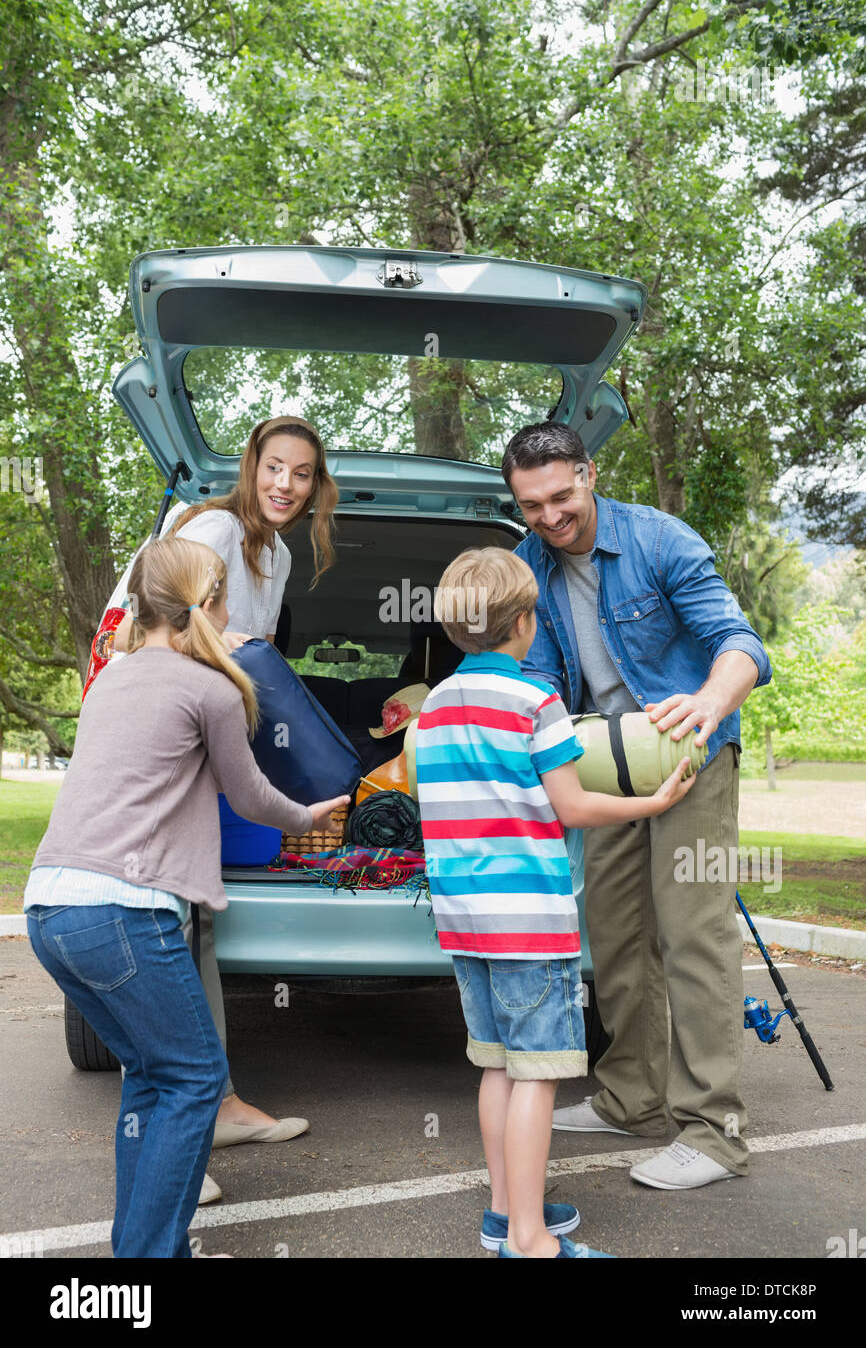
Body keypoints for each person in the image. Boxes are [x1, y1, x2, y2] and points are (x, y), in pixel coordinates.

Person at [24, 537, 349, 1257]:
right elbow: (252, 794)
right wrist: (312, 814)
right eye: (225, 595)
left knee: (152, 1076)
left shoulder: (114, 676)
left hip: (49, 905)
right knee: (197, 1080)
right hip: (121, 913)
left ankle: (138, 1258)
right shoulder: (213, 688)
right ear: (207, 605)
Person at [501, 421, 772, 1190]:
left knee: (694, 934)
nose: (551, 517)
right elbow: (544, 687)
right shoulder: (530, 565)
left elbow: (740, 642)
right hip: (601, 764)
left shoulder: (659, 541)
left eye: (561, 496)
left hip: (692, 754)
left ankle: (712, 1132)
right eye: (531, 505)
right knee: (616, 937)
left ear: (588, 474)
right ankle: (631, 1095)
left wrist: (709, 703)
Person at [414, 547, 696, 1258]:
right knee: (538, 1074)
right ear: (524, 623)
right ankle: (531, 1240)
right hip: (528, 922)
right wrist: (650, 800)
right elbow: (570, 805)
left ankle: (505, 1213)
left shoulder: (435, 705)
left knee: (495, 1065)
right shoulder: (535, 704)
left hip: (462, 920)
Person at [113, 415, 339, 1155]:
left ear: (315, 486)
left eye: (301, 474)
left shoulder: (270, 550)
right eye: (274, 467)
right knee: (162, 925)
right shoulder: (210, 531)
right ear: (251, 467)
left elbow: (252, 658)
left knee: (195, 920)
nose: (285, 485)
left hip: (205, 741)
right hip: (168, 734)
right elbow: (157, 625)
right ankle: (176, 1126)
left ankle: (220, 1103)